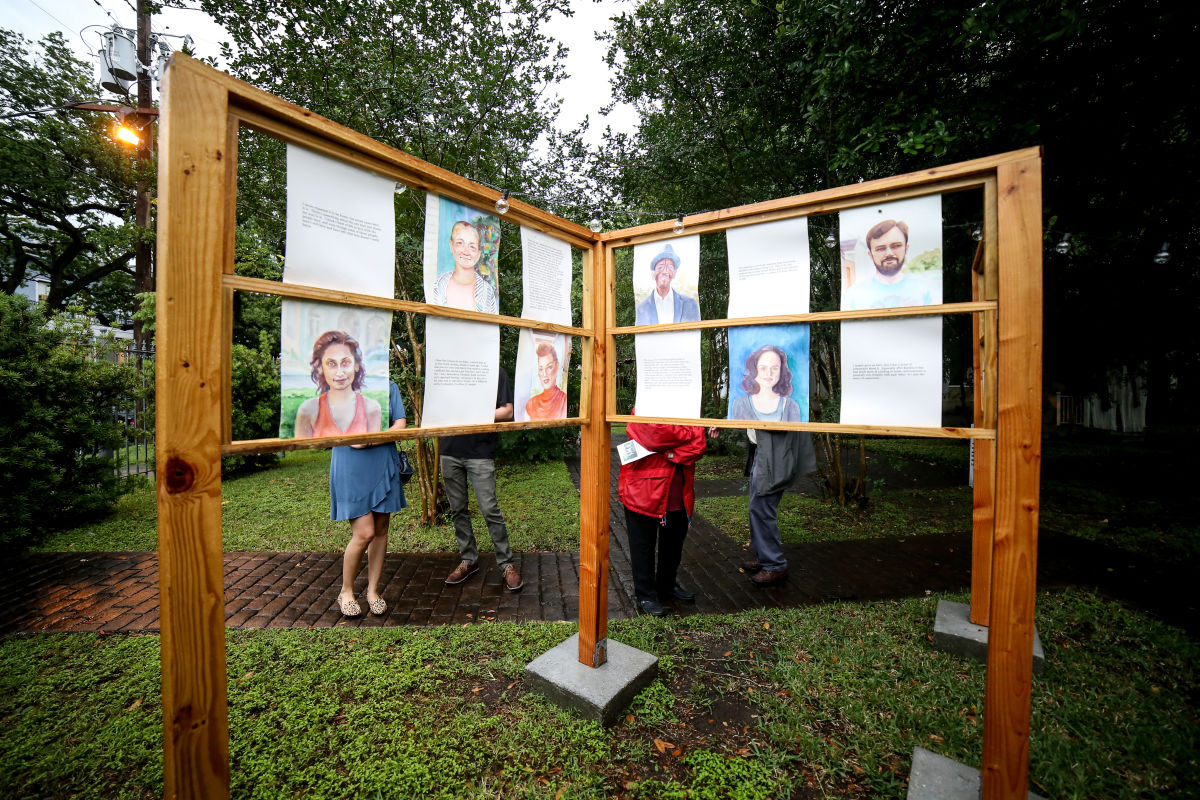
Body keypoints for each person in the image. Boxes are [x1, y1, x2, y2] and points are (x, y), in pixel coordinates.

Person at [728, 345, 816, 586]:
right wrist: (720, 425)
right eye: (763, 367)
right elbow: (736, 423)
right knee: (757, 507)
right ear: (754, 370)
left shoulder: (791, 406)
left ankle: (775, 565)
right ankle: (764, 557)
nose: (769, 373)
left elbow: (797, 439)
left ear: (782, 371)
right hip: (760, 455)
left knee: (762, 509)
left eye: (774, 367)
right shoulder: (741, 403)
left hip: (777, 458)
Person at [439, 367, 522, 590]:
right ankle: (469, 560)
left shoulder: (495, 371)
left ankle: (505, 564)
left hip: (480, 452)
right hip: (449, 448)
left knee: (489, 509)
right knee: (457, 510)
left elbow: (506, 412)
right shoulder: (448, 368)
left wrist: (471, 413)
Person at [618, 417, 707, 616]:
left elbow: (699, 445)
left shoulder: (688, 409)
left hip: (678, 493)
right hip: (643, 491)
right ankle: (646, 594)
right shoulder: (643, 407)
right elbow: (655, 437)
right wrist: (686, 432)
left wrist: (668, 451)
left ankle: (666, 585)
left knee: (673, 544)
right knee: (642, 546)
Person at [294, 330, 383, 439]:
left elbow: (374, 445)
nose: (340, 372)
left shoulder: (372, 408)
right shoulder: (308, 410)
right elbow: (301, 450)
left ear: (357, 365)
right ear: (320, 368)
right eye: (331, 364)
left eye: (345, 362)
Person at [842, 219, 940, 310]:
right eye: (880, 248)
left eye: (896, 246)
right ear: (870, 255)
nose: (889, 253)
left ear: (906, 249)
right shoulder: (854, 295)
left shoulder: (927, 288)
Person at [433, 220, 499, 314]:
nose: (466, 251)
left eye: (472, 247)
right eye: (460, 243)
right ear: (451, 246)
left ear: (478, 253)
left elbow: (492, 325)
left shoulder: (487, 291)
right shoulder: (439, 285)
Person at [634, 243, 701, 325]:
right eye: (660, 267)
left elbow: (694, 333)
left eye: (670, 267)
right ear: (653, 274)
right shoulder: (642, 308)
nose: (665, 271)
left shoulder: (690, 305)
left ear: (674, 273)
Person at [524, 342, 568, 420]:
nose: (544, 374)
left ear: (557, 366)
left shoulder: (563, 400)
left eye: (549, 367)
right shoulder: (531, 404)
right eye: (541, 369)